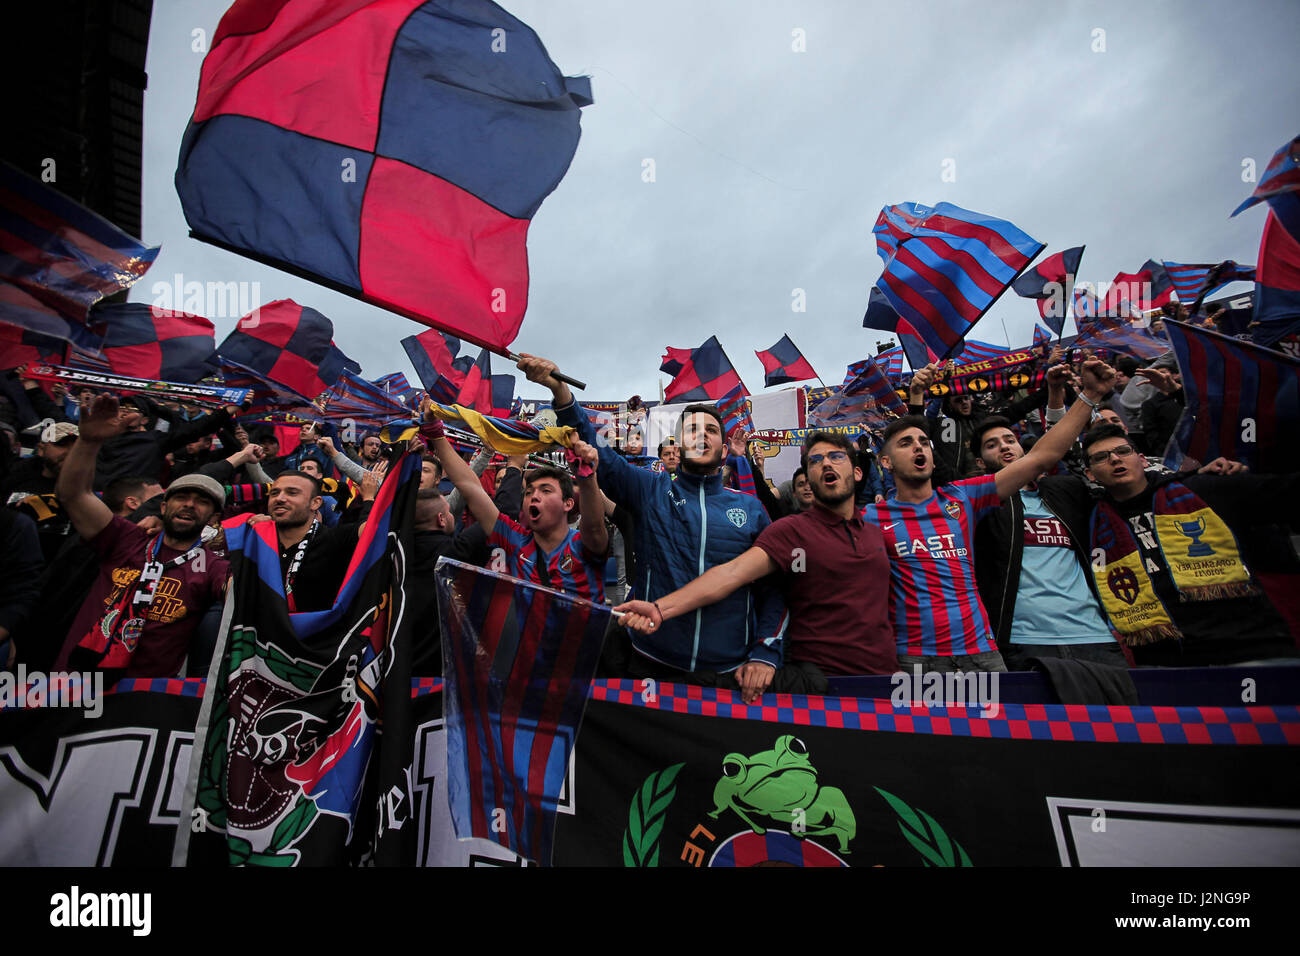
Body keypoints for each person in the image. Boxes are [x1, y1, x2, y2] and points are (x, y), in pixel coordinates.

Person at [539, 354, 789, 697]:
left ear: (723, 447)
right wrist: (561, 393)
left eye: (711, 430)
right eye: (692, 430)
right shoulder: (650, 490)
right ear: (678, 443)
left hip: (726, 674)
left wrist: (765, 652)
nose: (702, 436)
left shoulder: (752, 508)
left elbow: (774, 589)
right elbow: (602, 455)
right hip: (647, 663)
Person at [868, 358, 1118, 674]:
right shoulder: (871, 518)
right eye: (906, 443)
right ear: (886, 463)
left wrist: (1089, 397)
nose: (919, 448)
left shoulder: (963, 497)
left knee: (1009, 726)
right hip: (914, 659)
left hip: (983, 655)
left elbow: (1043, 456)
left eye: (924, 442)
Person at [616, 431, 895, 686]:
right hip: (820, 682)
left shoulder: (878, 531)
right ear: (807, 477)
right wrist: (660, 609)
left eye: (836, 457)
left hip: (885, 679)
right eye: (815, 460)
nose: (826, 464)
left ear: (858, 472)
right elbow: (731, 574)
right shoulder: (790, 531)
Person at [1080, 423, 1299, 666]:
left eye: (1123, 451)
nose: (1114, 459)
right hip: (1164, 664)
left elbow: (1286, 493)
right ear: (1089, 474)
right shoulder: (1090, 522)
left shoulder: (1203, 490)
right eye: (1101, 457)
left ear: (1142, 460)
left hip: (1250, 650)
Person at [53, 395, 230, 678]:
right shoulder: (126, 537)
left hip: (139, 704)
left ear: (212, 517)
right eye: (181, 496)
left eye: (202, 502)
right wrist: (88, 443)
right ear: (163, 506)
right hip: (71, 685)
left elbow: (246, 597)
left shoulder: (212, 567)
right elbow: (73, 495)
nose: (189, 504)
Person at [970, 410, 1127, 670]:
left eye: (1010, 440)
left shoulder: (1066, 490)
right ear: (980, 463)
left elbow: (1123, 492)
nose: (1004, 447)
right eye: (992, 445)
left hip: (1094, 635)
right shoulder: (979, 505)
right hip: (1023, 640)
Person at [426, 411, 608, 602]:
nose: (534, 496)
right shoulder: (515, 539)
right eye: (529, 492)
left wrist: (587, 477)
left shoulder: (582, 545)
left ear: (568, 503)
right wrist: (436, 433)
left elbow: (595, 527)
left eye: (546, 490)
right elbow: (469, 486)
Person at [249, 465, 383, 614]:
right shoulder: (255, 541)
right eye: (274, 493)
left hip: (320, 634)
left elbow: (373, 531)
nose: (280, 498)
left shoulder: (334, 539)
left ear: (316, 503)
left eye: (292, 493)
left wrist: (373, 496)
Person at [1, 421, 77, 504]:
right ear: (41, 449)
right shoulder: (13, 475)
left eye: (77, 447)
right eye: (62, 444)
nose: (70, 452)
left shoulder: (88, 489)